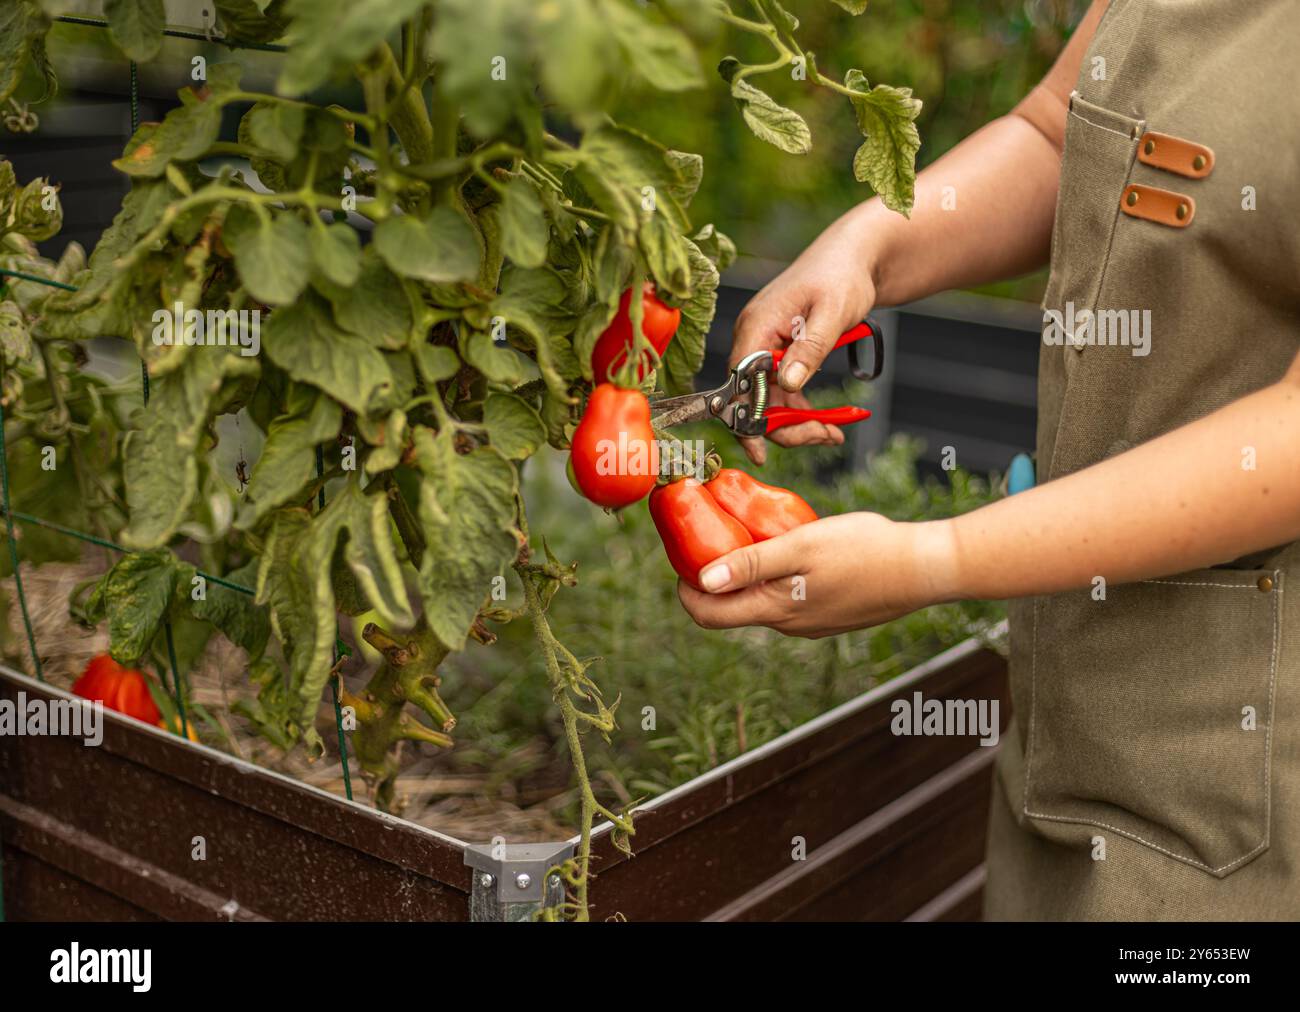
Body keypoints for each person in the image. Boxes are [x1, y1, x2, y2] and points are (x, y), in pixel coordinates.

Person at [678, 0, 1300, 920]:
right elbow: (1065, 135)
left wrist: (937, 559)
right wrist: (872, 245)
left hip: (1243, 780)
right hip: (1077, 728)